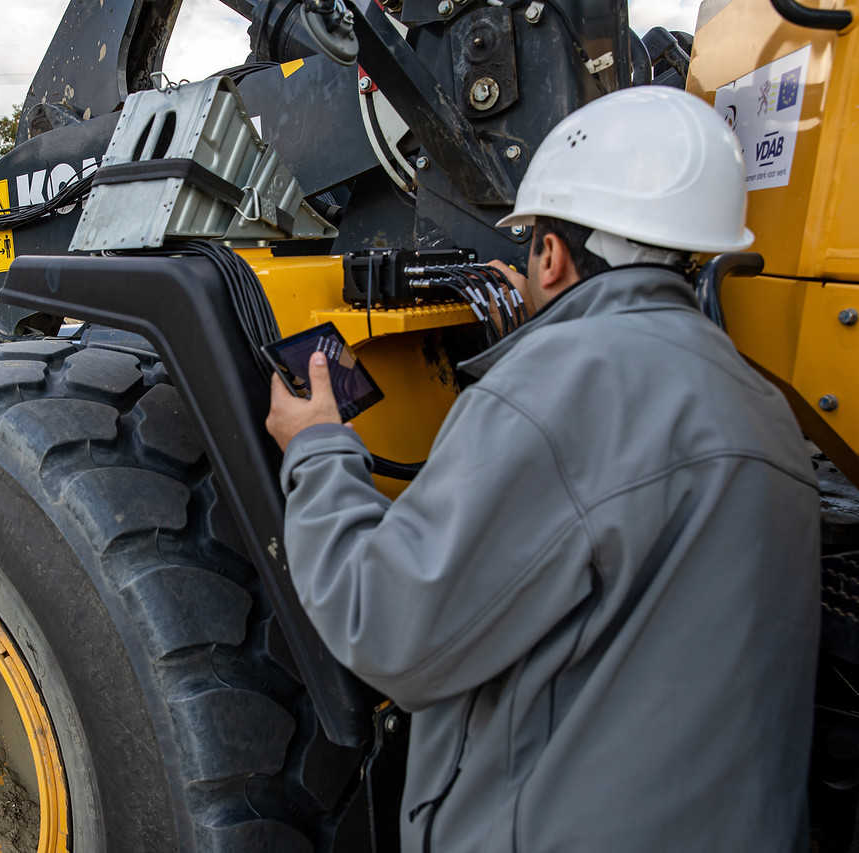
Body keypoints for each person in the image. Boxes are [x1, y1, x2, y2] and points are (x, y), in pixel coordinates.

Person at [266, 87, 819, 851]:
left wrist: (318, 446)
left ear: (551, 254)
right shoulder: (762, 405)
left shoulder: (560, 382)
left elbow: (385, 624)